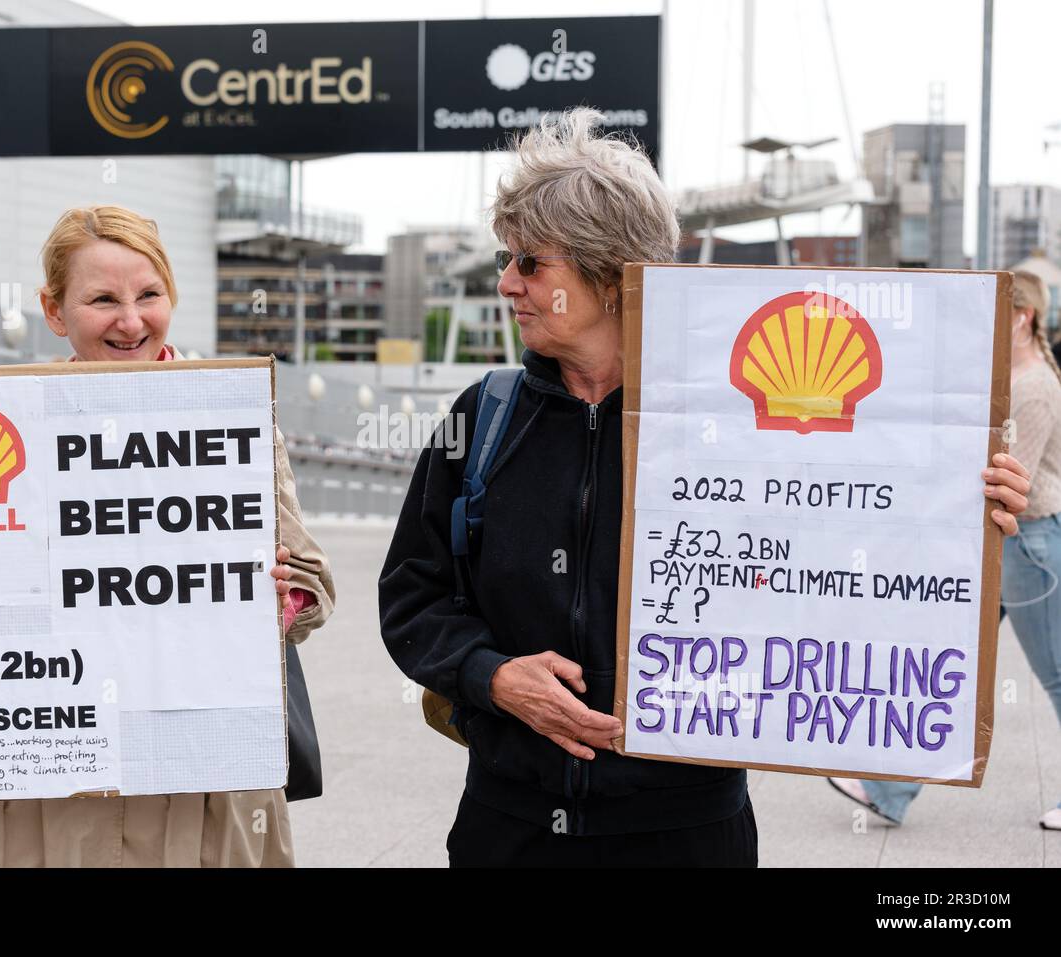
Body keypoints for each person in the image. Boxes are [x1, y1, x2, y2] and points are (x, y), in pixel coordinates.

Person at [379, 107, 1033, 867]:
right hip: (510, 825)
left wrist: (962, 515)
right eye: (508, 258)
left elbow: (846, 556)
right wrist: (491, 676)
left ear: (605, 271)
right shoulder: (485, 418)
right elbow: (413, 595)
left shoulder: (740, 421)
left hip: (688, 832)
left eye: (530, 262)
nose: (505, 283)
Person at [0, 205, 336, 866]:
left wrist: (276, 595)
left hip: (198, 782)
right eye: (102, 299)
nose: (131, 320)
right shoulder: (5, 415)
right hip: (45, 793)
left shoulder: (230, 413)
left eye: (149, 294)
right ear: (55, 311)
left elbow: (315, 582)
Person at [830, 270, 1059, 831]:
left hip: (1025, 544)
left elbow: (1013, 485)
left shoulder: (1035, 387)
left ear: (1022, 317)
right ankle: (889, 789)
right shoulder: (1015, 376)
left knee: (1055, 675)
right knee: (954, 665)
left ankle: (890, 787)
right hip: (1005, 545)